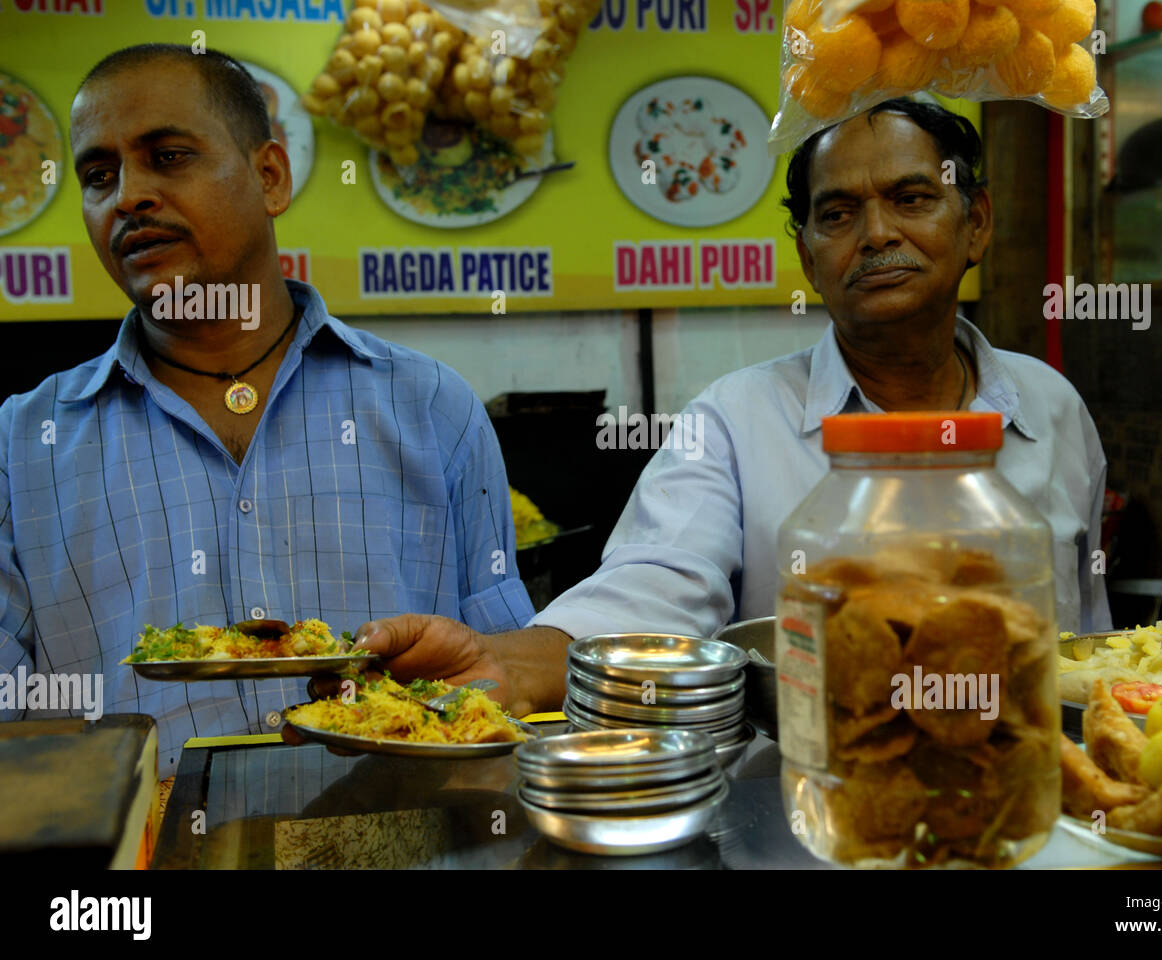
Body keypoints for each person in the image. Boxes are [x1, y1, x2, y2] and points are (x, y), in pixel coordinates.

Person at [339, 97, 1111, 689]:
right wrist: (506, 663)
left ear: (975, 223)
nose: (876, 234)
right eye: (837, 214)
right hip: (809, 813)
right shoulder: (734, 420)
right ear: (808, 256)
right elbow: (652, 588)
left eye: (912, 199)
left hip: (1031, 814)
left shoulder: (1052, 407)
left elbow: (1088, 641)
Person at [0, 44, 551, 775]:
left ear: (269, 176)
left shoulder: (428, 406)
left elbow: (496, 690)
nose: (127, 195)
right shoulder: (21, 445)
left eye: (167, 157)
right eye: (99, 175)